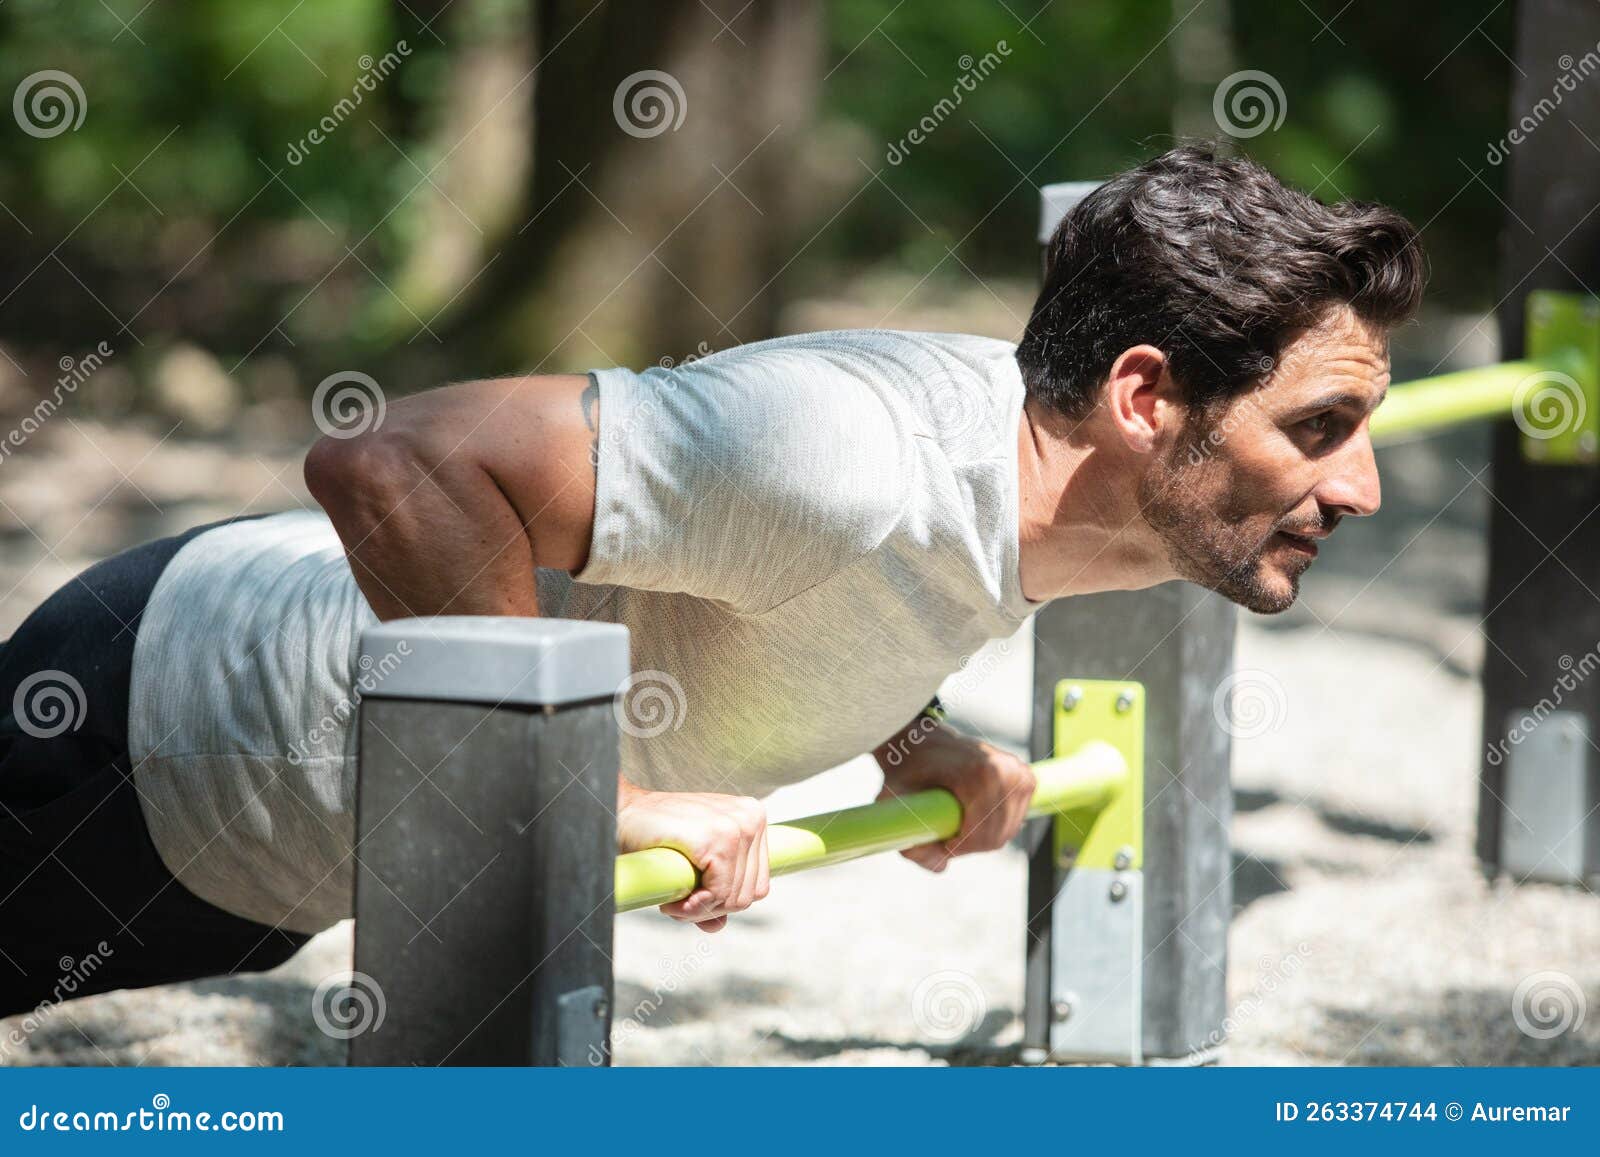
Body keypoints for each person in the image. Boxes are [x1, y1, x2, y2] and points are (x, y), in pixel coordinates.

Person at [0, 142, 1423, 1015]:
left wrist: (916, 736)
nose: (1362, 486)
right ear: (1143, 397)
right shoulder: (846, 453)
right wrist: (591, 792)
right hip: (153, 731)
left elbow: (835, 590)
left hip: (282, 856)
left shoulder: (1043, 489)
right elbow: (394, 461)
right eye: (1320, 428)